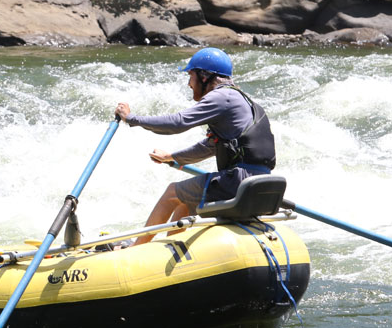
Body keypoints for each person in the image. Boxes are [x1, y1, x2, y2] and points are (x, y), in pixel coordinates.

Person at [115, 47, 276, 245]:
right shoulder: (239, 99)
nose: (189, 83)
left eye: (191, 75)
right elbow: (210, 146)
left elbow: (178, 122)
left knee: (172, 192)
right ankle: (170, 249)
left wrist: (131, 119)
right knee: (185, 199)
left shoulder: (221, 97)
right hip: (259, 181)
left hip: (239, 181)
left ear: (204, 76)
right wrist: (172, 157)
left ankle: (138, 247)